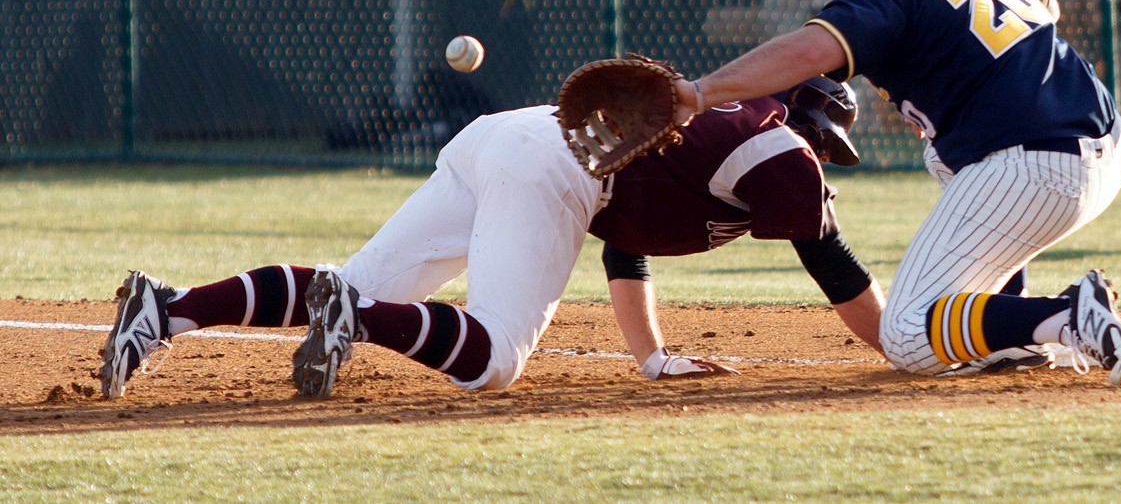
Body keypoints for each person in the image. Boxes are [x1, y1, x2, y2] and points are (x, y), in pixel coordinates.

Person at [99, 78, 887, 399]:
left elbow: (628, 243)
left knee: (367, 278)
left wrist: (650, 355)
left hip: (512, 134)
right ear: (807, 122)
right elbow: (836, 268)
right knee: (498, 359)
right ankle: (357, 318)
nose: (824, 158)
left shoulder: (720, 130)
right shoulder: (781, 149)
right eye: (827, 141)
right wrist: (906, 344)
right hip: (558, 164)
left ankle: (167, 310)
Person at [668, 0, 1121, 385]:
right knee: (939, 153)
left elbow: (808, 51)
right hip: (1103, 145)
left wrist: (697, 94)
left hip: (1037, 165)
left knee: (908, 336)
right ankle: (1007, 330)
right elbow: (1043, 1)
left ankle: (1069, 316)